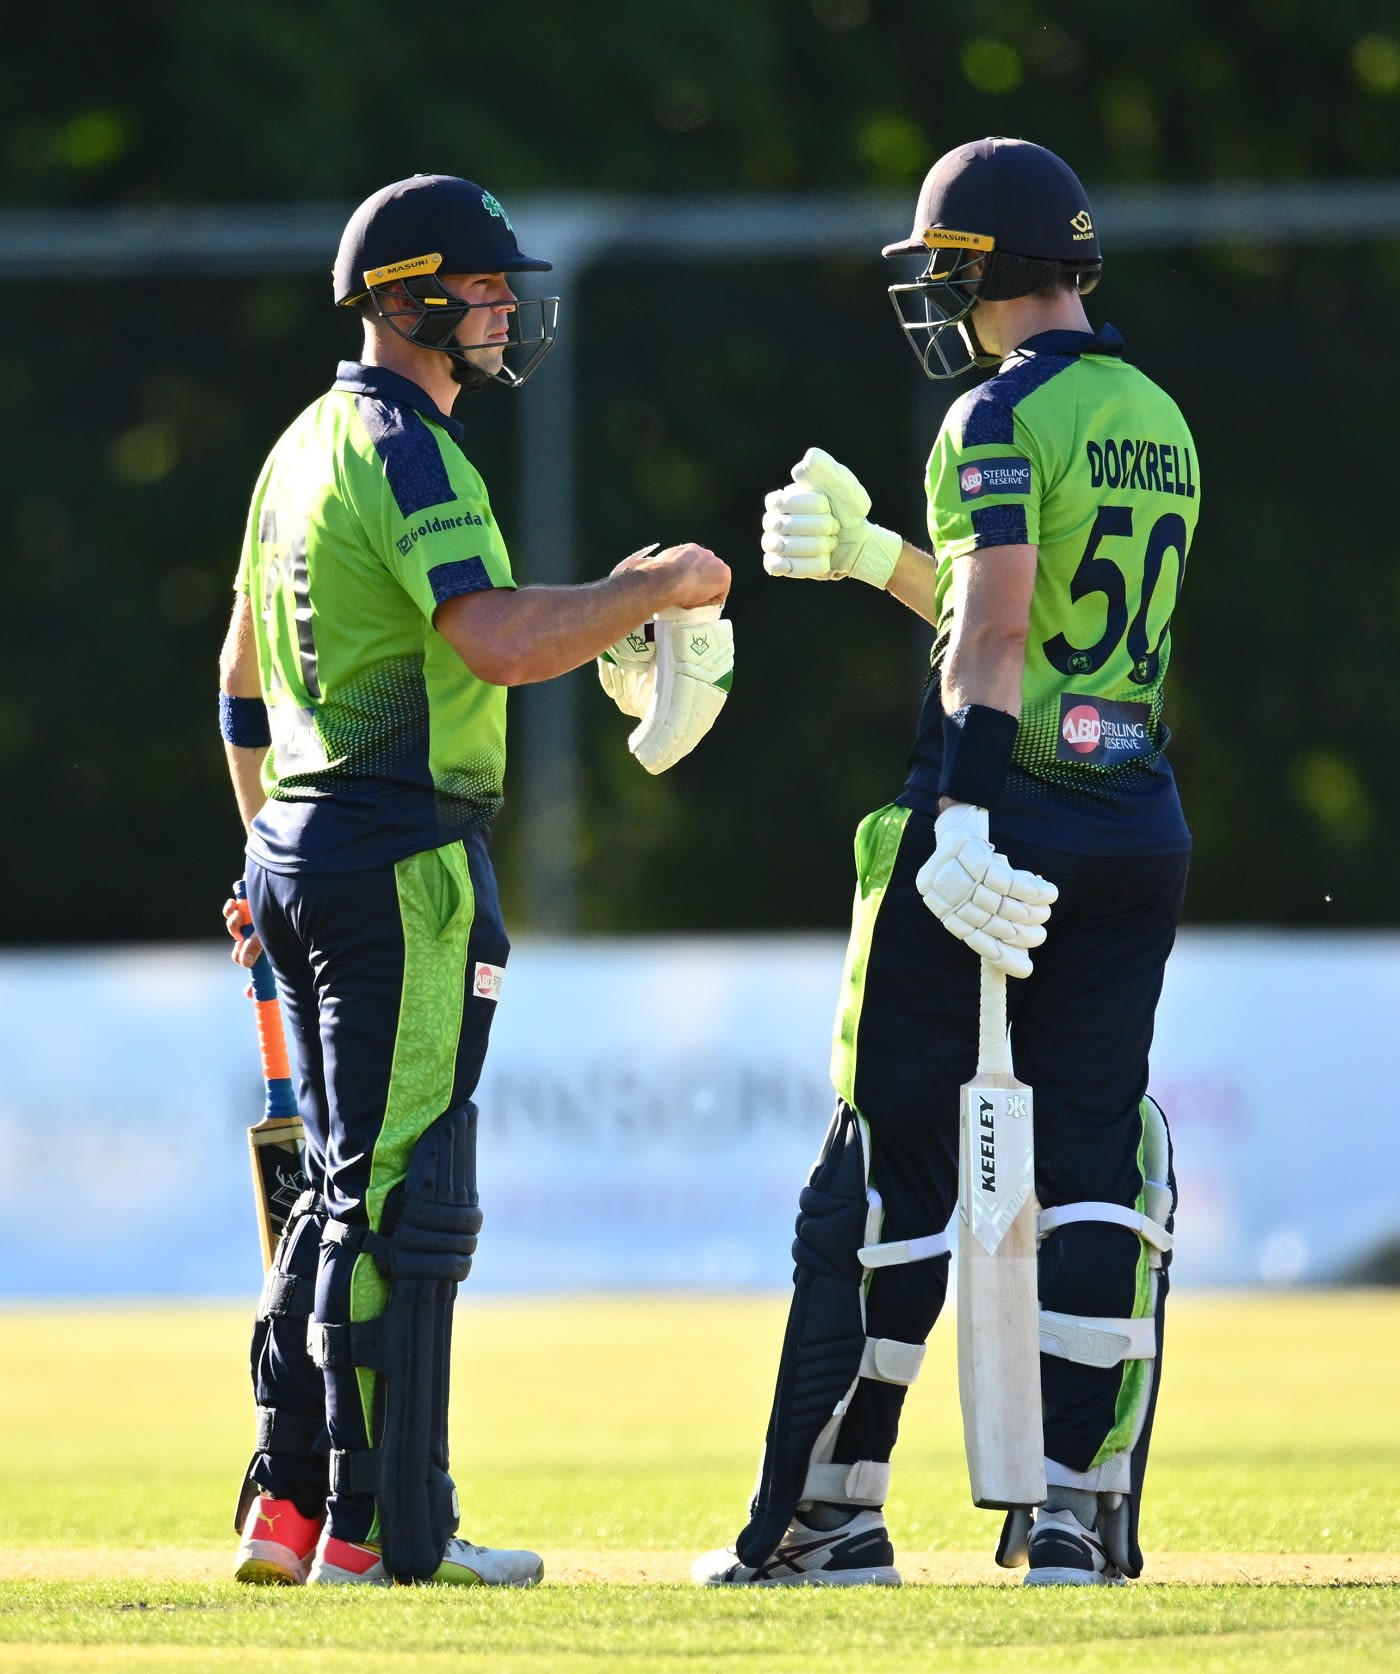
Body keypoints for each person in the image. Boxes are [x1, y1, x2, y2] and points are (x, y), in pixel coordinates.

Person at [693, 136, 1197, 1588]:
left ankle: (825, 1512)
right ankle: (1074, 1511)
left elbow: (986, 648)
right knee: (1097, 1157)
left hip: (995, 827)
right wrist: (877, 560)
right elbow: (1028, 625)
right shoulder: (1155, 412)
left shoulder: (994, 412)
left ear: (978, 268)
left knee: (885, 1162)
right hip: (1133, 823)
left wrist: (966, 812)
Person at [217, 173, 732, 1588]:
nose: (506, 304)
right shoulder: (409, 450)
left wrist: (259, 857)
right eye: (485, 284)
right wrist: (653, 588)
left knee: (338, 1187)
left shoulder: (300, 445)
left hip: (307, 850)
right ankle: (386, 1529)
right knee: (404, 1196)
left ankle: (293, 1504)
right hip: (400, 862)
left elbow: (239, 682)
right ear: (408, 298)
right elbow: (496, 639)